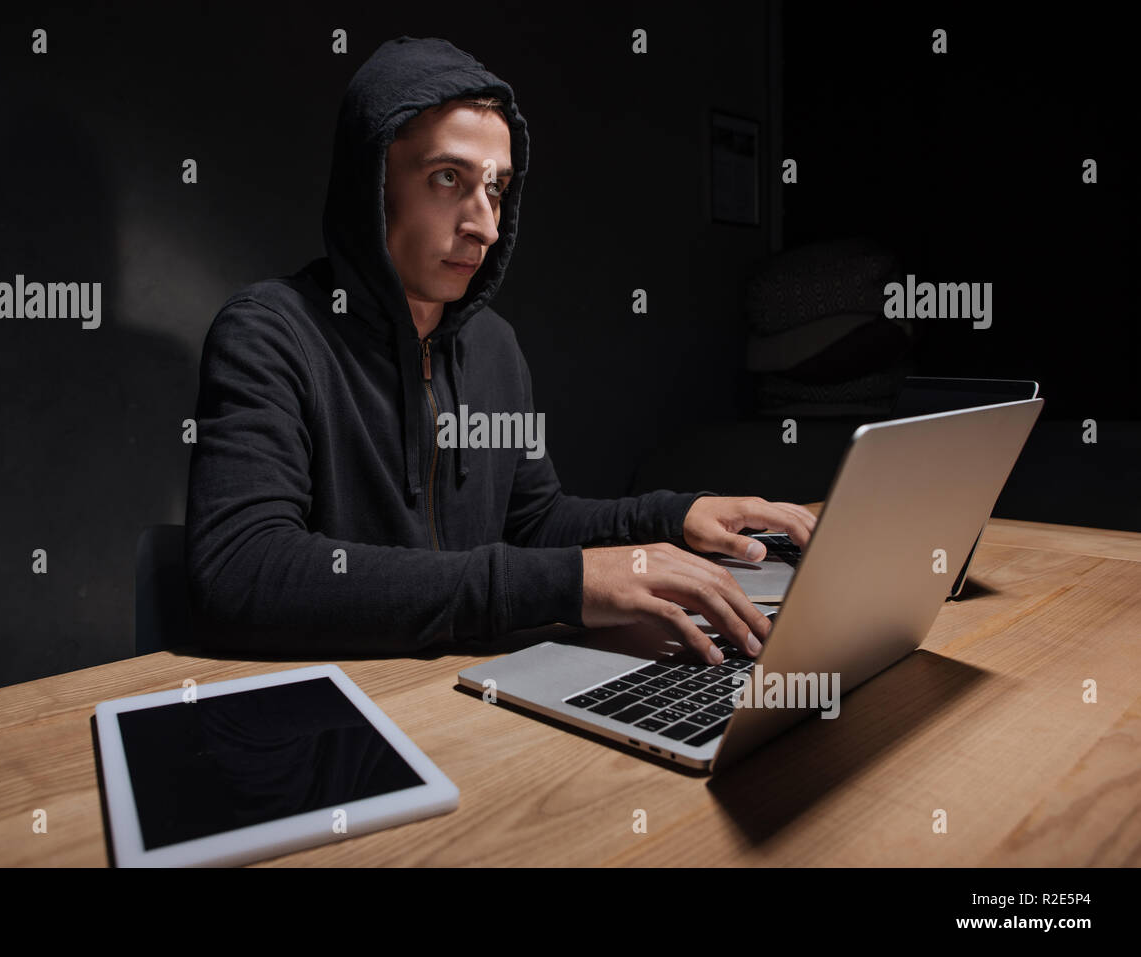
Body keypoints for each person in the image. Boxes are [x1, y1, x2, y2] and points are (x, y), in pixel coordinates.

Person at [185, 36, 816, 664]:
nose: (484, 225)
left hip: (473, 688)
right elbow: (242, 573)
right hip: (346, 713)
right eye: (446, 178)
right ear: (369, 183)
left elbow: (534, 522)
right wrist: (565, 583)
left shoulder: (494, 346)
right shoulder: (269, 333)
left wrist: (674, 519)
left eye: (496, 189)